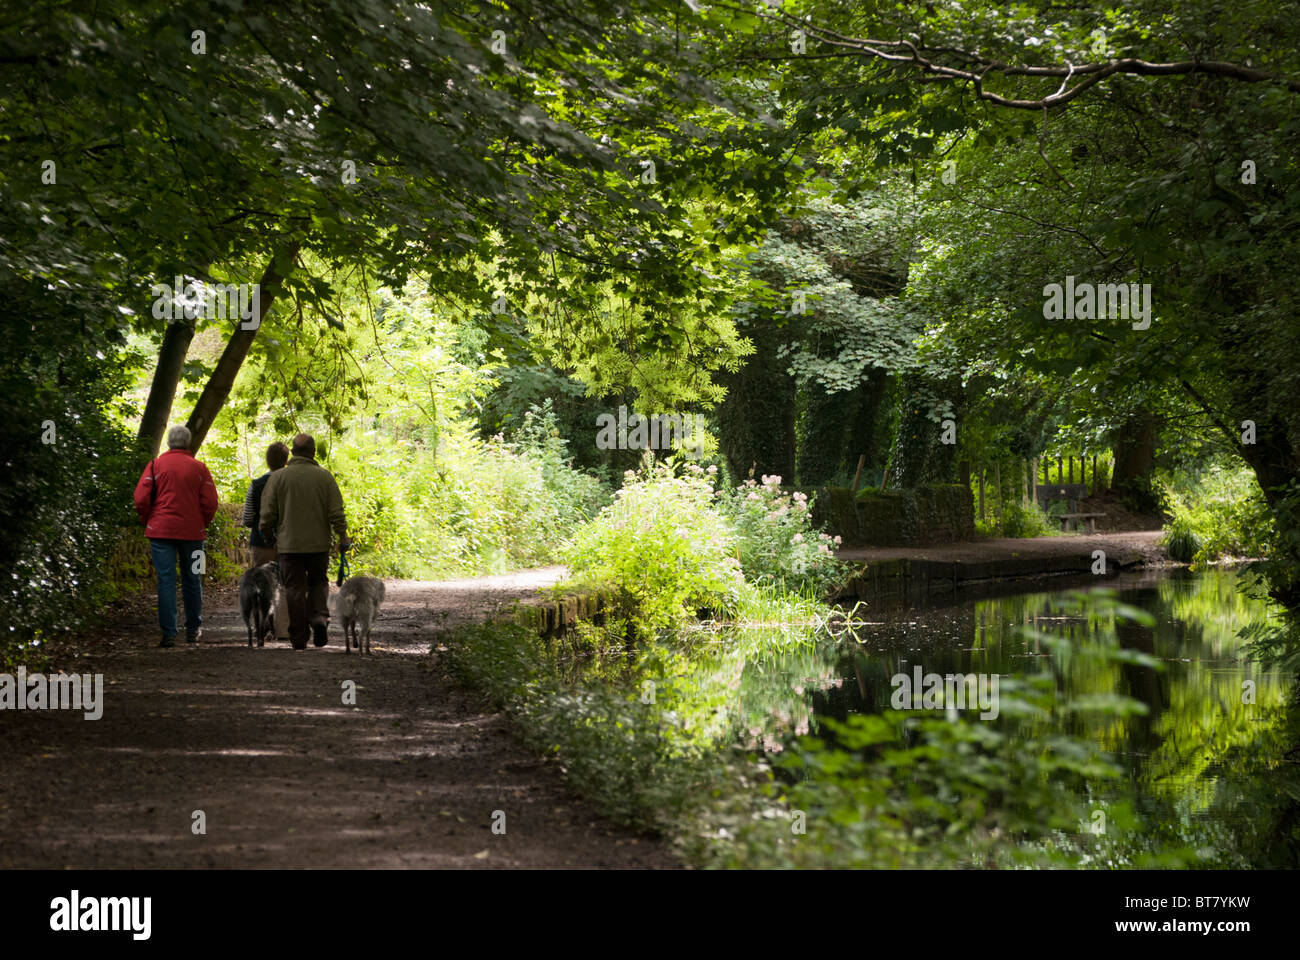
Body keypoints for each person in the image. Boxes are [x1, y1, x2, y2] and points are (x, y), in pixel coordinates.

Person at [259, 433, 350, 650]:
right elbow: (336, 512)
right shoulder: (324, 477)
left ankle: (299, 636)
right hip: (318, 544)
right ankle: (319, 618)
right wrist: (342, 534)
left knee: (294, 588)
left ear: (292, 452)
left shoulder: (278, 477)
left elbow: (267, 513)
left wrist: (268, 534)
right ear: (313, 452)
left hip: (289, 545)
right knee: (318, 582)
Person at [133, 424, 219, 648]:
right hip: (194, 534)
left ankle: (169, 632)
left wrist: (149, 520)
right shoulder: (200, 468)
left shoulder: (155, 465)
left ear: (169, 442)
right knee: (194, 579)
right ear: (188, 442)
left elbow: (140, 498)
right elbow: (211, 502)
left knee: (166, 581)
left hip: (160, 532)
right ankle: (193, 629)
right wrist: (202, 523)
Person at [241, 441, 291, 641]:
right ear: (286, 461)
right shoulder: (292, 483)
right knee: (287, 584)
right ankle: (284, 629)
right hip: (290, 542)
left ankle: (261, 627)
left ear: (267, 461)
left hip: (262, 543)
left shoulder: (257, 484)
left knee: (261, 585)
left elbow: (246, 518)